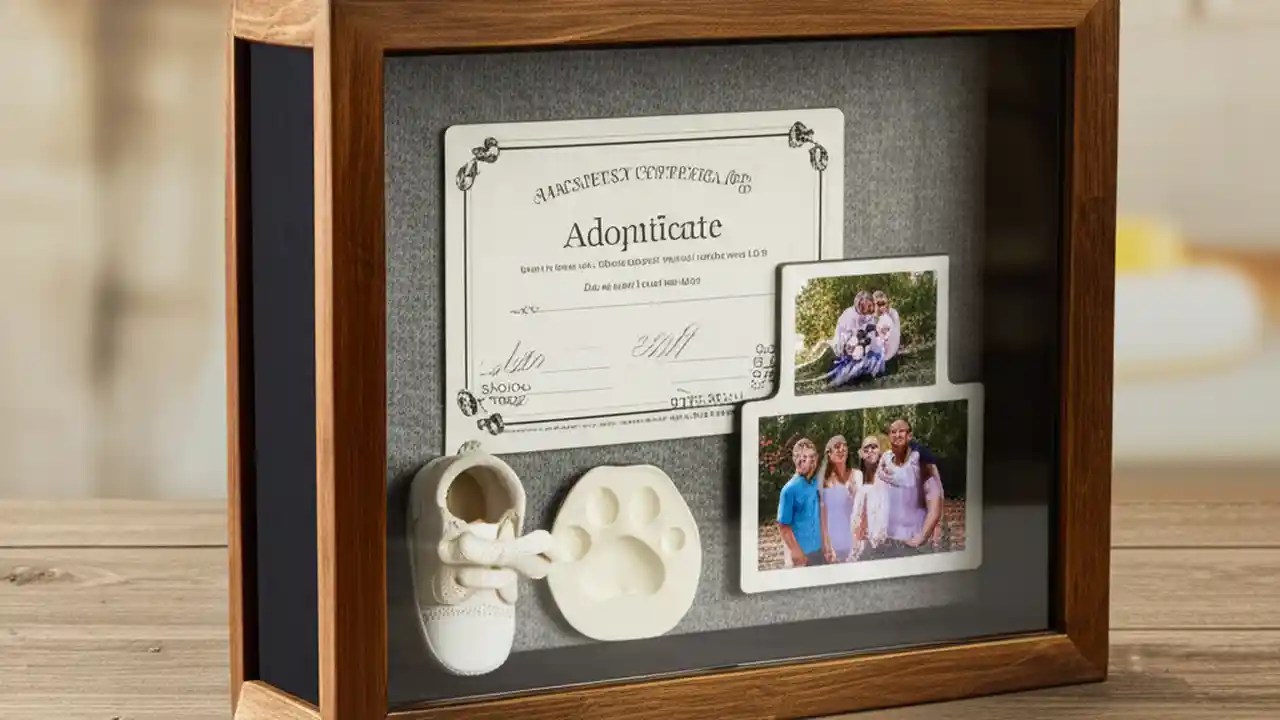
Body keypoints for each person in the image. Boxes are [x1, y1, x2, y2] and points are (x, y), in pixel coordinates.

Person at [876, 419, 943, 554]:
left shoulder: (921, 462)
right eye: (893, 432)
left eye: (901, 431)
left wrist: (921, 538)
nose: (897, 435)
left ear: (910, 435)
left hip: (913, 541)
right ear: (889, 436)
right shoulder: (885, 461)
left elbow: (935, 503)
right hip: (888, 540)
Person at [776, 438, 824, 567]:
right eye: (803, 457)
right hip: (802, 554)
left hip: (820, 550)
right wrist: (796, 552)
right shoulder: (789, 489)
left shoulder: (817, 483)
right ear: (795, 459)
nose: (809, 461)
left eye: (812, 457)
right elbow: (783, 526)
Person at [850, 434, 890, 560]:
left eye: (874, 447)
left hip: (885, 545)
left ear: (880, 452)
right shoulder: (858, 481)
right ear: (861, 454)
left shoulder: (887, 478)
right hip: (863, 546)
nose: (870, 451)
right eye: (866, 449)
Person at [817, 435, 855, 562]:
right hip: (833, 544)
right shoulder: (822, 482)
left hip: (854, 541)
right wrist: (826, 544)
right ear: (829, 453)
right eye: (837, 447)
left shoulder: (857, 475)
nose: (842, 449)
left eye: (844, 446)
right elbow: (822, 516)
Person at [872, 290, 902, 361]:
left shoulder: (892, 313)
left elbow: (896, 332)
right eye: (879, 304)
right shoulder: (871, 317)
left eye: (883, 303)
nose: (882, 306)